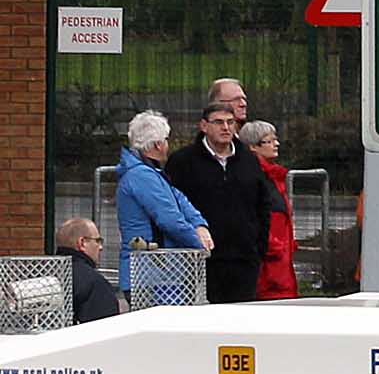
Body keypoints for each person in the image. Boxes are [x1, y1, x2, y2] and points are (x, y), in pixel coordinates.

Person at [167, 100, 276, 302]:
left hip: (244, 260)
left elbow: (263, 205)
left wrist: (257, 248)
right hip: (202, 260)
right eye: (218, 122)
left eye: (230, 122)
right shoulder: (183, 162)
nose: (225, 128)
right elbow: (174, 207)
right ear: (204, 126)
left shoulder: (248, 160)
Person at [114, 110, 210, 290]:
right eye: (166, 140)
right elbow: (170, 220)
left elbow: (179, 198)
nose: (168, 145)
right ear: (158, 144)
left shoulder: (151, 173)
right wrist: (199, 246)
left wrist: (199, 224)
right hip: (152, 274)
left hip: (157, 273)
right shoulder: (142, 176)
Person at [239, 119, 298, 299]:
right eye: (269, 140)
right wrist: (274, 246)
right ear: (253, 147)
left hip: (279, 264)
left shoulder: (274, 177)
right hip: (269, 270)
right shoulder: (254, 177)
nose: (276, 144)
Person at [54, 217, 118, 323]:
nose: (100, 247)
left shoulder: (45, 274)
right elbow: (106, 328)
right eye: (98, 241)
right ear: (82, 243)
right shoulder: (95, 284)